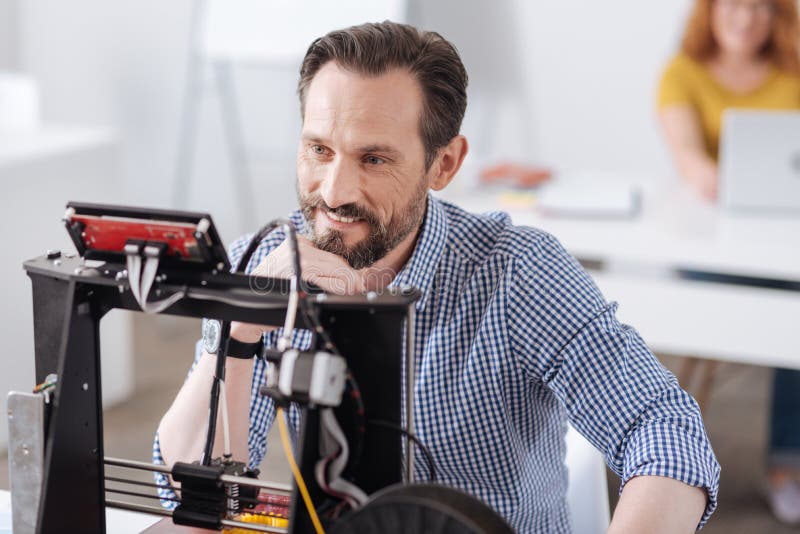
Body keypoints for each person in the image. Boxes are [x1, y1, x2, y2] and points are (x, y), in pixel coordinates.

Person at [155, 21, 720, 533]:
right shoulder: (263, 263)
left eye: (373, 159)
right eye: (318, 150)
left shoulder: (517, 271)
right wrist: (242, 325)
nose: (334, 192)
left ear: (444, 164)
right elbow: (188, 495)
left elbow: (665, 430)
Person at [657, 0, 800, 525]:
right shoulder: (683, 73)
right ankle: (679, 458)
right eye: (734, 5)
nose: (746, 17)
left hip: (787, 246)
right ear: (711, 14)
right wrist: (714, 179)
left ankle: (787, 462)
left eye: (761, 7)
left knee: (794, 306)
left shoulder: (793, 70)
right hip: (712, 249)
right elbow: (690, 160)